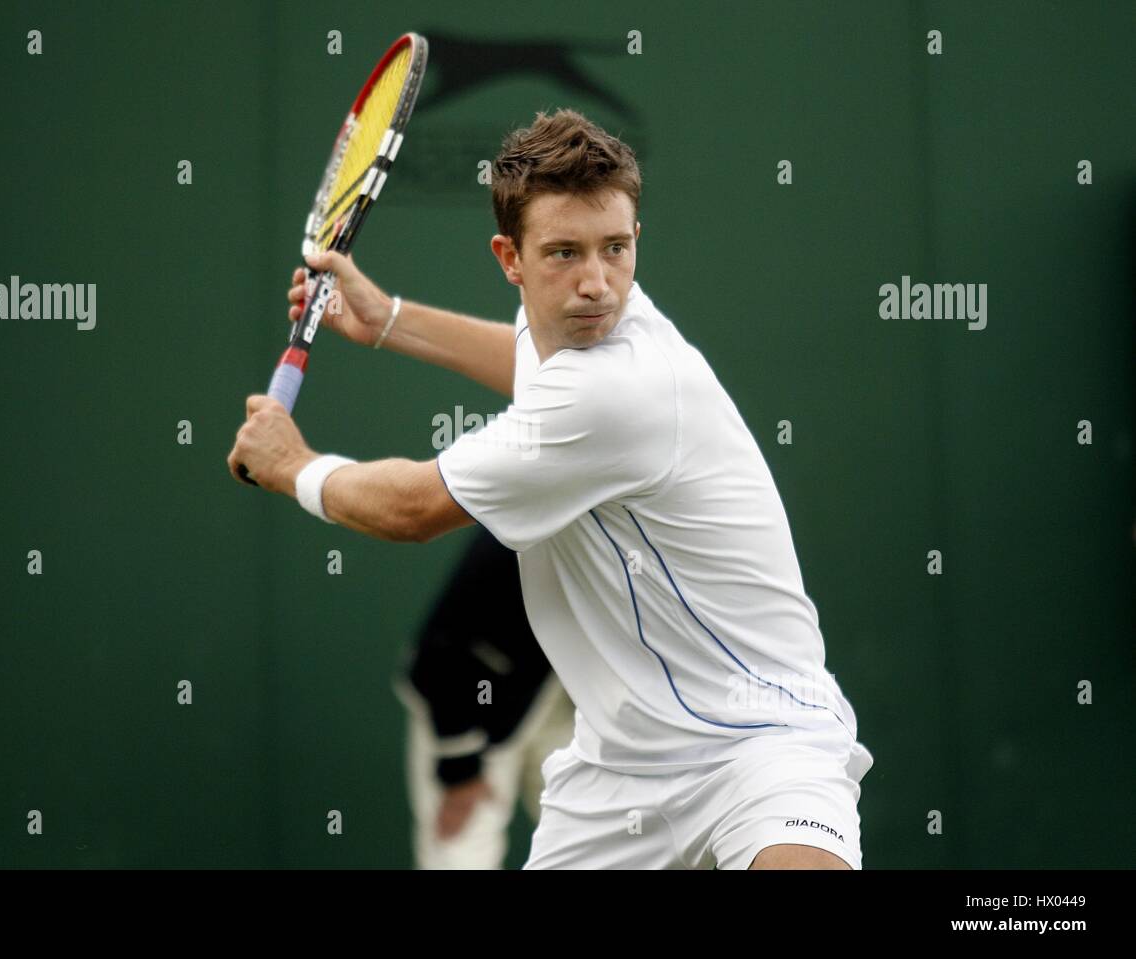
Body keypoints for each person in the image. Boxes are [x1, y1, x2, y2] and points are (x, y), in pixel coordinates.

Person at [229, 108, 874, 869]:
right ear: (512, 258)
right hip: (618, 773)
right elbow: (531, 363)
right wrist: (387, 319)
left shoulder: (617, 381)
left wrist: (291, 464)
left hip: (762, 742)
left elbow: (412, 508)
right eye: (565, 252)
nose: (597, 282)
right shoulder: (576, 332)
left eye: (616, 249)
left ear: (637, 239)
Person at [394, 526, 574, 869]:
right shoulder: (514, 535)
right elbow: (441, 654)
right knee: (461, 854)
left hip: (560, 707)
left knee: (597, 845)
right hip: (469, 712)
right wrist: (459, 769)